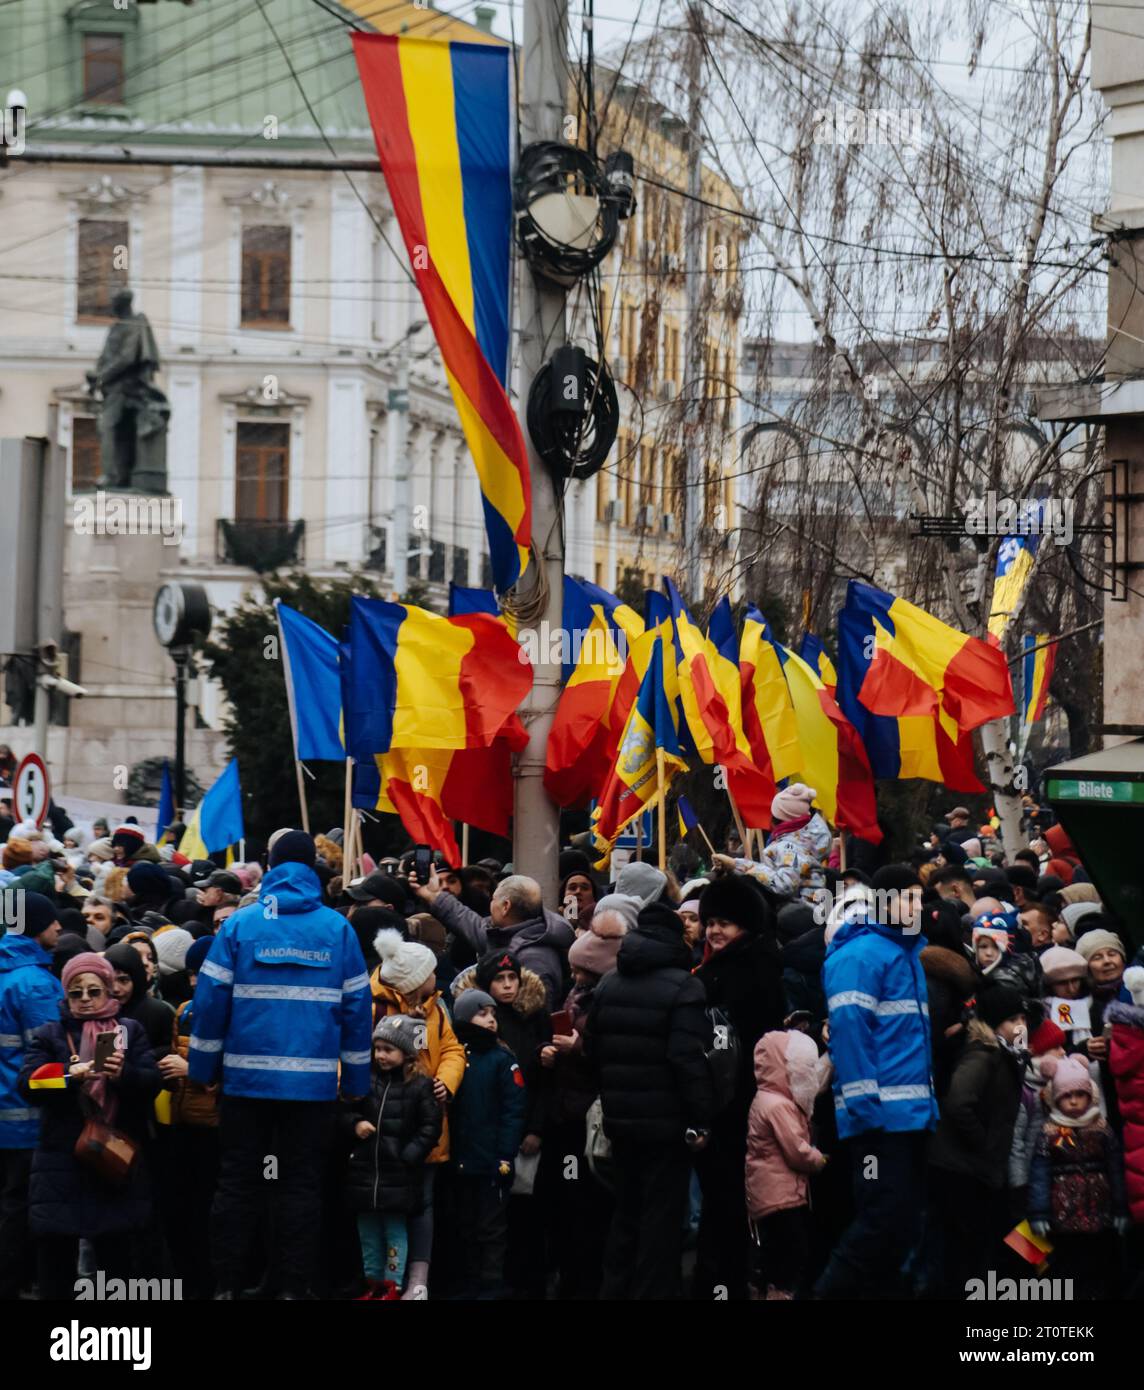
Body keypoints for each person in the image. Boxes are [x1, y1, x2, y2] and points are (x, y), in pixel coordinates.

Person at [187, 830, 373, 1301]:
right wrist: (354, 1083)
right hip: (310, 1092)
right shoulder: (338, 929)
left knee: (236, 1185)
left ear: (269, 867)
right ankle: (291, 1289)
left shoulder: (240, 926)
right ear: (313, 868)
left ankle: (227, 1286)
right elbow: (356, 1012)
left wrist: (202, 1071)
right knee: (299, 1189)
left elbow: (209, 1005)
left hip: (246, 1085)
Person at [814, 864, 938, 1298]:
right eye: (907, 897)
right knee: (879, 1224)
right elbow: (850, 1035)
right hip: (879, 1124)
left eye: (920, 898)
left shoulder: (906, 954)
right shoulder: (862, 955)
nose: (917, 906)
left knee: (900, 1228)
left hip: (910, 1119)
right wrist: (865, 1110)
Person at [581, 902, 714, 1300]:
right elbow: (686, 1059)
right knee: (661, 1223)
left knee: (626, 1215)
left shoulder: (607, 983)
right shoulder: (686, 986)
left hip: (621, 1123)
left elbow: (592, 1050)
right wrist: (701, 1118)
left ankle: (614, 1291)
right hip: (667, 1127)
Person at [18, 952, 162, 1299]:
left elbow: (151, 1082)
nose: (85, 999)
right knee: (56, 1253)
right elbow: (29, 1085)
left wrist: (122, 1075)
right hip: (62, 1159)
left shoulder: (128, 1030)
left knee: (116, 1252)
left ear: (109, 991)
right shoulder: (51, 1034)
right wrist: (69, 1076)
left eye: (94, 991)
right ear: (65, 995)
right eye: (76, 993)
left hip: (112, 1154)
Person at [691, 873, 785, 1300]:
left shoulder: (753, 969)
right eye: (710, 921)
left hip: (739, 1104)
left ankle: (724, 1281)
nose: (714, 930)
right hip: (725, 1102)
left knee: (728, 1199)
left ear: (746, 924)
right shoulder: (718, 967)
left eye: (725, 923)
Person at [369, 927, 466, 1299]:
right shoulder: (376, 1006)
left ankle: (418, 1279)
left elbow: (453, 1050)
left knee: (423, 1200)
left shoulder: (436, 1009)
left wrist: (447, 1081)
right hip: (385, 1121)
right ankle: (383, 1276)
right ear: (414, 981)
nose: (434, 977)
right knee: (383, 1203)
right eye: (429, 973)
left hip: (427, 1121)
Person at [928, 985, 1028, 1296]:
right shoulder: (985, 1054)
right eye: (1013, 1019)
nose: (1021, 1026)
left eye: (1023, 1018)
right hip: (963, 1169)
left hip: (980, 1169)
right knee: (967, 1251)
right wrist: (982, 1142)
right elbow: (959, 1101)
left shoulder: (1008, 1055)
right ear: (995, 1023)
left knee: (989, 1241)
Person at [341, 1014, 441, 1300]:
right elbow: (345, 1110)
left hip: (398, 1175)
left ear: (406, 1053)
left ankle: (392, 1284)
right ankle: (372, 1283)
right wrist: (354, 1124)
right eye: (378, 1048)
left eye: (388, 1049)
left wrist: (408, 1156)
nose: (381, 1055)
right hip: (365, 1173)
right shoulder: (366, 1080)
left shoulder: (420, 1086)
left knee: (395, 1234)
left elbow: (430, 1127)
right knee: (368, 1235)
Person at [0, 893, 64, 1299]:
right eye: (52, 921)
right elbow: (50, 1060)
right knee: (22, 1207)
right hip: (27, 1120)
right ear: (35, 925)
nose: (59, 928)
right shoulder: (36, 984)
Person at [447, 990, 526, 1299]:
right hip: (460, 1157)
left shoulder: (502, 1060)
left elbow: (513, 1111)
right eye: (482, 1014)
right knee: (464, 1222)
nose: (491, 1020)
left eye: (493, 1015)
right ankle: (468, 1280)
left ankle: (491, 1283)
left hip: (492, 1158)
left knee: (491, 1226)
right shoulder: (456, 1057)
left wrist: (505, 1154)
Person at [1028, 1055, 1129, 1298]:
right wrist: (1039, 1212)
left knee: (1099, 1261)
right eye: (1066, 1096)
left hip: (1099, 1210)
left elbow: (1115, 1169)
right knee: (1068, 1264)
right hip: (1063, 1213)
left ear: (1090, 1095)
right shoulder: (1050, 1132)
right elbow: (1040, 1174)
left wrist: (1120, 1208)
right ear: (1056, 1099)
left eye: (1079, 1094)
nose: (1073, 1101)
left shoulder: (1102, 1129)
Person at [413, 868, 574, 1009]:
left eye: (493, 899)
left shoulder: (535, 959)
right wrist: (433, 895)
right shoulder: (505, 935)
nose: (490, 905)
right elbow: (466, 920)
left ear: (506, 906)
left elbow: (535, 1019)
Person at [745, 1029, 827, 1300]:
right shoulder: (778, 1106)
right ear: (786, 1067)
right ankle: (777, 1294)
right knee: (792, 1250)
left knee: (774, 1250)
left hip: (771, 1192)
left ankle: (761, 1288)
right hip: (779, 1195)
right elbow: (796, 1151)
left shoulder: (768, 1098)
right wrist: (819, 1159)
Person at [104, 943, 176, 1059]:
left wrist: (145, 1058)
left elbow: (172, 1050)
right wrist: (69, 1073)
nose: (115, 989)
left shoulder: (159, 1012)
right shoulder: (91, 1016)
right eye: (110, 981)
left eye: (123, 980)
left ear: (136, 980)